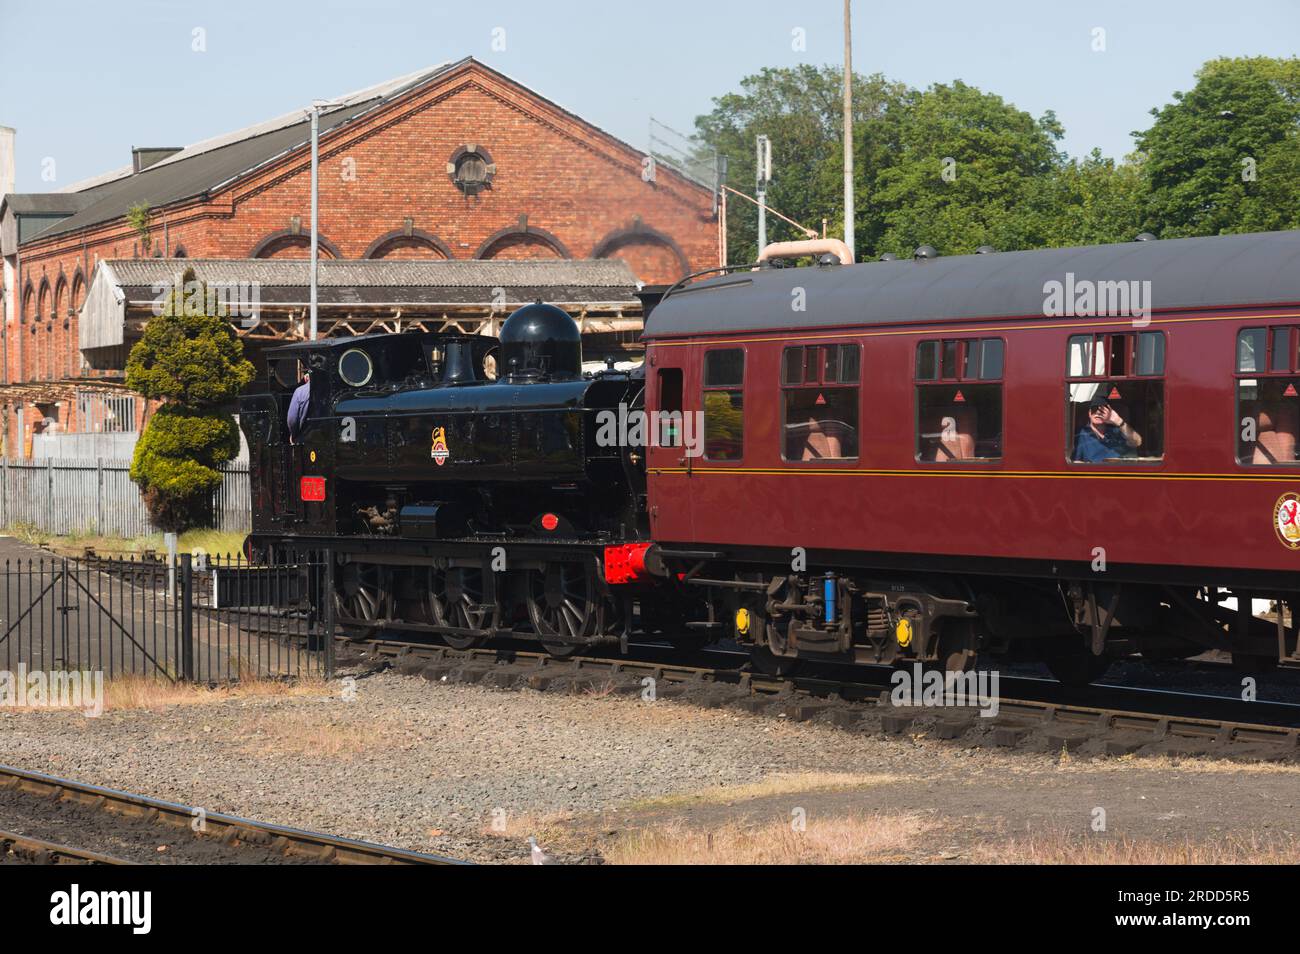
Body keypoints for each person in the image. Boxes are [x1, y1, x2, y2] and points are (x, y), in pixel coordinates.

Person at [1074, 395, 1142, 462]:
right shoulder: (1081, 434)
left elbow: (1137, 442)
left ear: (1110, 413)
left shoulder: (1117, 431)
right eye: (1094, 409)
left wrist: (1119, 421)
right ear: (1089, 413)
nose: (1098, 412)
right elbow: (1075, 462)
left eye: (1103, 410)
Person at [287, 371, 311, 443]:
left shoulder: (300, 391)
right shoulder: (330, 389)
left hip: (305, 438)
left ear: (306, 378)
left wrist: (294, 435)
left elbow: (292, 419)